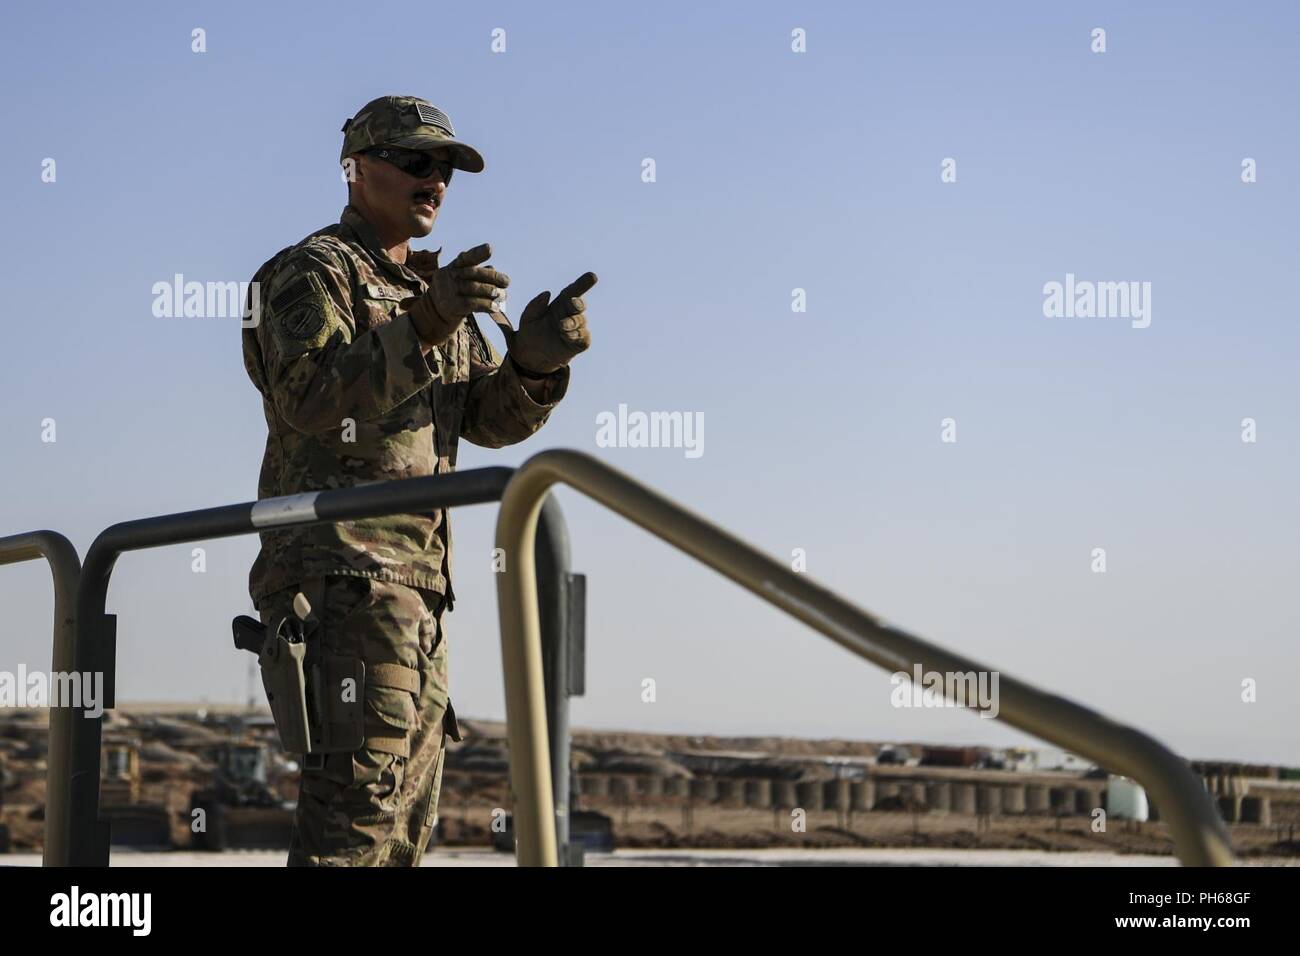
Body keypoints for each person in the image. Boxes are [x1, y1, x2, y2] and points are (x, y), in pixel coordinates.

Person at [241, 94, 596, 865]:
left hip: (418, 587)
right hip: (340, 578)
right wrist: (428, 321)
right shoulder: (311, 272)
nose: (433, 179)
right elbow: (311, 399)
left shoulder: (434, 292)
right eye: (412, 161)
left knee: (403, 826)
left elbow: (486, 418)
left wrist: (535, 364)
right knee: (354, 822)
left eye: (444, 168)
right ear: (356, 168)